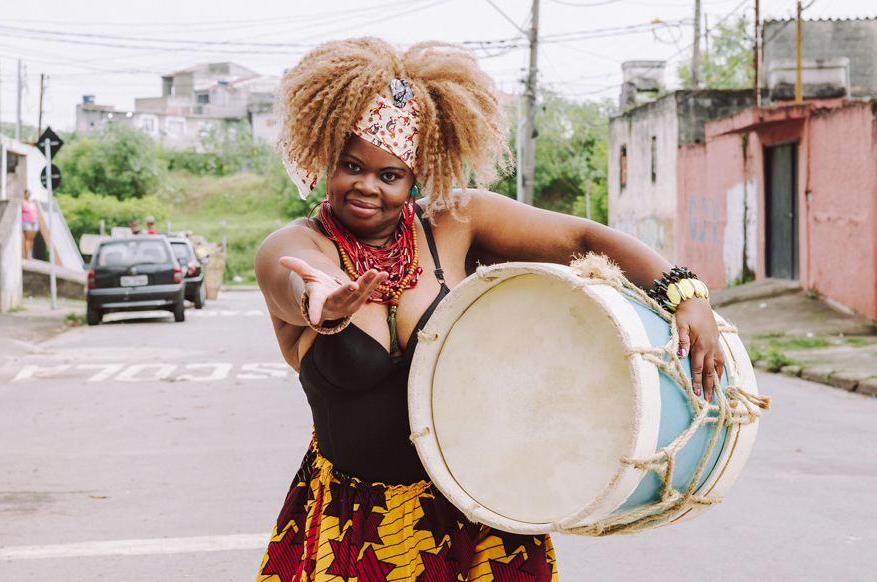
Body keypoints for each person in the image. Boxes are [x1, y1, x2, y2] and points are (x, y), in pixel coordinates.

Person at [254, 38, 723, 582]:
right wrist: (325, 305)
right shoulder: (294, 247)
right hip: (358, 531)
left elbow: (581, 235)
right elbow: (297, 283)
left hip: (484, 515)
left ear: (416, 178)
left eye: (389, 175)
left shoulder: (454, 224)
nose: (367, 186)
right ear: (325, 160)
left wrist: (684, 290)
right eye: (351, 166)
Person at [21, 189, 38, 259]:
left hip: (34, 222)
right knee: (27, 238)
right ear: (24, 194)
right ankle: (27, 255)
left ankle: (29, 254)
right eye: (27, 193)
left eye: (29, 194)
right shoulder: (22, 202)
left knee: (31, 239)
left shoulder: (33, 202)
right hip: (26, 222)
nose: (28, 195)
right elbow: (20, 212)